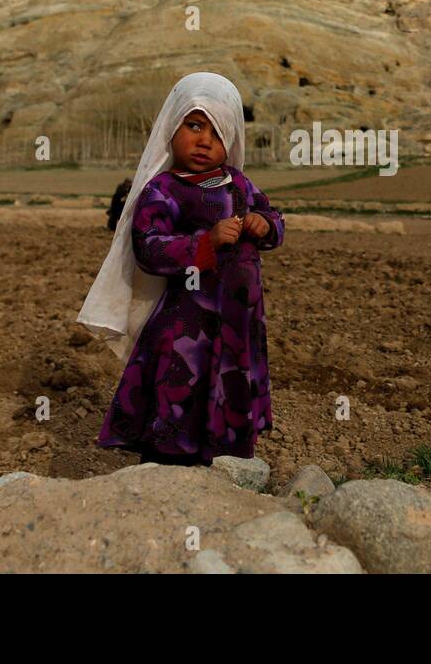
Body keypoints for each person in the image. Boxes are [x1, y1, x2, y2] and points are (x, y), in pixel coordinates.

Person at [77, 72, 283, 466]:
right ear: (172, 129)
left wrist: (265, 224)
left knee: (231, 383)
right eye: (194, 125)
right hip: (187, 325)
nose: (205, 140)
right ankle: (166, 465)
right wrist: (205, 243)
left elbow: (274, 219)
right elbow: (149, 247)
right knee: (178, 386)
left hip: (239, 322)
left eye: (218, 132)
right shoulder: (164, 191)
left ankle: (226, 461)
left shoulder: (240, 185)